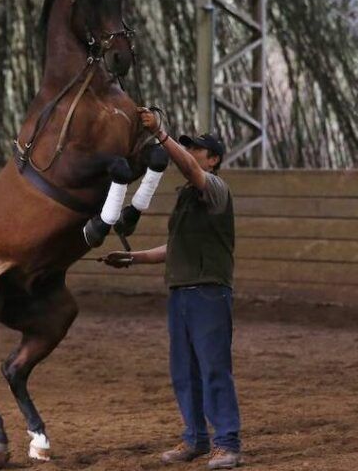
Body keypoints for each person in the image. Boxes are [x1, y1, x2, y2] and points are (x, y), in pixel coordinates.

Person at [102, 107, 242, 469]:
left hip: (208, 293)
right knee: (184, 370)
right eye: (189, 147)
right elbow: (174, 249)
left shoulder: (215, 189)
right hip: (182, 292)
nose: (191, 153)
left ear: (213, 160)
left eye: (197, 149)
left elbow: (190, 170)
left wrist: (162, 135)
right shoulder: (188, 197)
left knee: (213, 368)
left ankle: (227, 443)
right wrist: (133, 259)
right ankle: (195, 438)